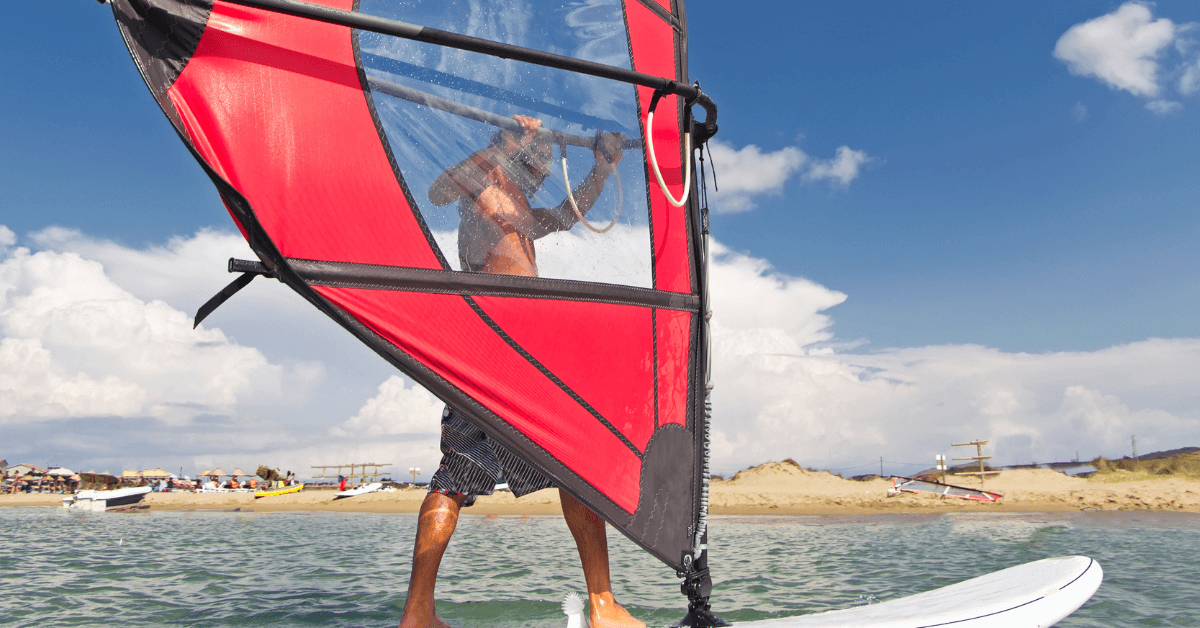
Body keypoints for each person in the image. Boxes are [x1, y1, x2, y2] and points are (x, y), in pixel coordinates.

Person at [399, 115, 637, 628]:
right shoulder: (483, 183)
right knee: (573, 460)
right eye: (542, 158)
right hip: (500, 341)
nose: (546, 170)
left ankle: (418, 613)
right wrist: (505, 142)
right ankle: (601, 606)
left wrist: (601, 167)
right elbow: (438, 190)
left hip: (497, 345)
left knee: (456, 476)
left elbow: (569, 216)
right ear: (514, 150)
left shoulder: (522, 208)